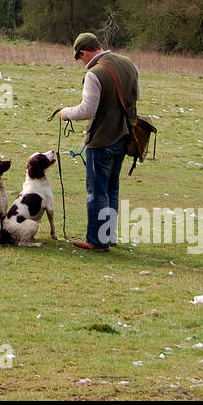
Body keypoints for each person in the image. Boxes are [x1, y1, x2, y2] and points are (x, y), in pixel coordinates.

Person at [56, 32, 139, 251]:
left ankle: (97, 240)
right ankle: (109, 235)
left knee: (97, 191)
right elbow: (135, 95)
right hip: (124, 136)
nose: (82, 63)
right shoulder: (129, 64)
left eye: (80, 58)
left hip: (102, 139)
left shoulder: (95, 73)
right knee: (112, 188)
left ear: (84, 52)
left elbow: (87, 110)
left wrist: (66, 113)